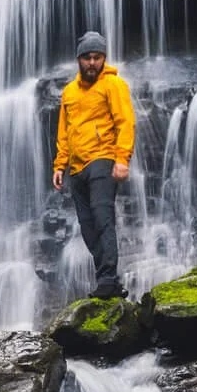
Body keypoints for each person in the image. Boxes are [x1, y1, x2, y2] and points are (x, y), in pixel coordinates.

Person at [50, 30, 135, 298]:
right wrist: (59, 165)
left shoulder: (114, 85)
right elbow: (64, 131)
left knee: (102, 218)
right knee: (87, 228)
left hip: (103, 158)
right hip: (76, 168)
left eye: (97, 57)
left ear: (103, 59)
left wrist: (122, 159)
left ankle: (107, 279)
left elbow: (125, 122)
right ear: (78, 60)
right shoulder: (69, 92)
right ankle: (109, 280)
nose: (91, 63)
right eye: (86, 57)